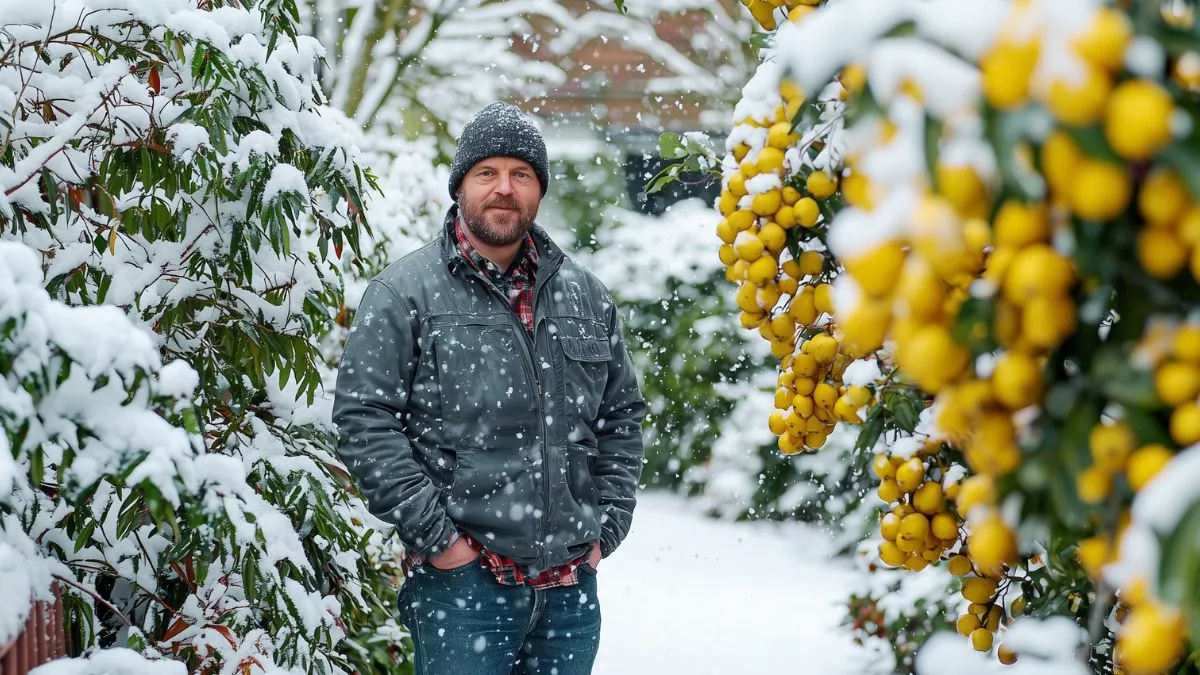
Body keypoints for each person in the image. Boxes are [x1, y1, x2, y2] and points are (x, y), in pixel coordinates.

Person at [332, 101, 647, 675]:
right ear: (461, 187)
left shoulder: (586, 297)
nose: (504, 188)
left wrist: (608, 527)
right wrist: (441, 540)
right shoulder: (405, 292)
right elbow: (363, 419)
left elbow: (622, 416)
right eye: (488, 173)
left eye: (521, 174)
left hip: (569, 593)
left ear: (539, 190)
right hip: (463, 591)